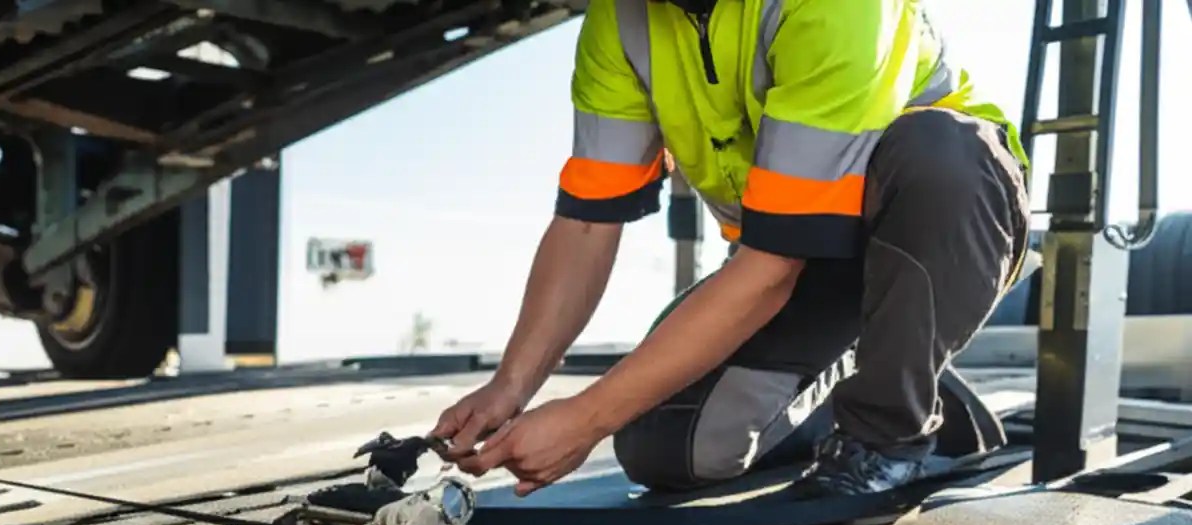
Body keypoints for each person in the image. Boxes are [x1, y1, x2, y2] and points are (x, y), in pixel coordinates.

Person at [431, 0, 1030, 499]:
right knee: (661, 443)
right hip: (792, 262)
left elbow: (771, 269)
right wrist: (509, 390)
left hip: (938, 232)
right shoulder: (618, 23)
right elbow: (588, 224)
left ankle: (886, 432)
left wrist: (586, 417)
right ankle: (865, 378)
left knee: (941, 158)